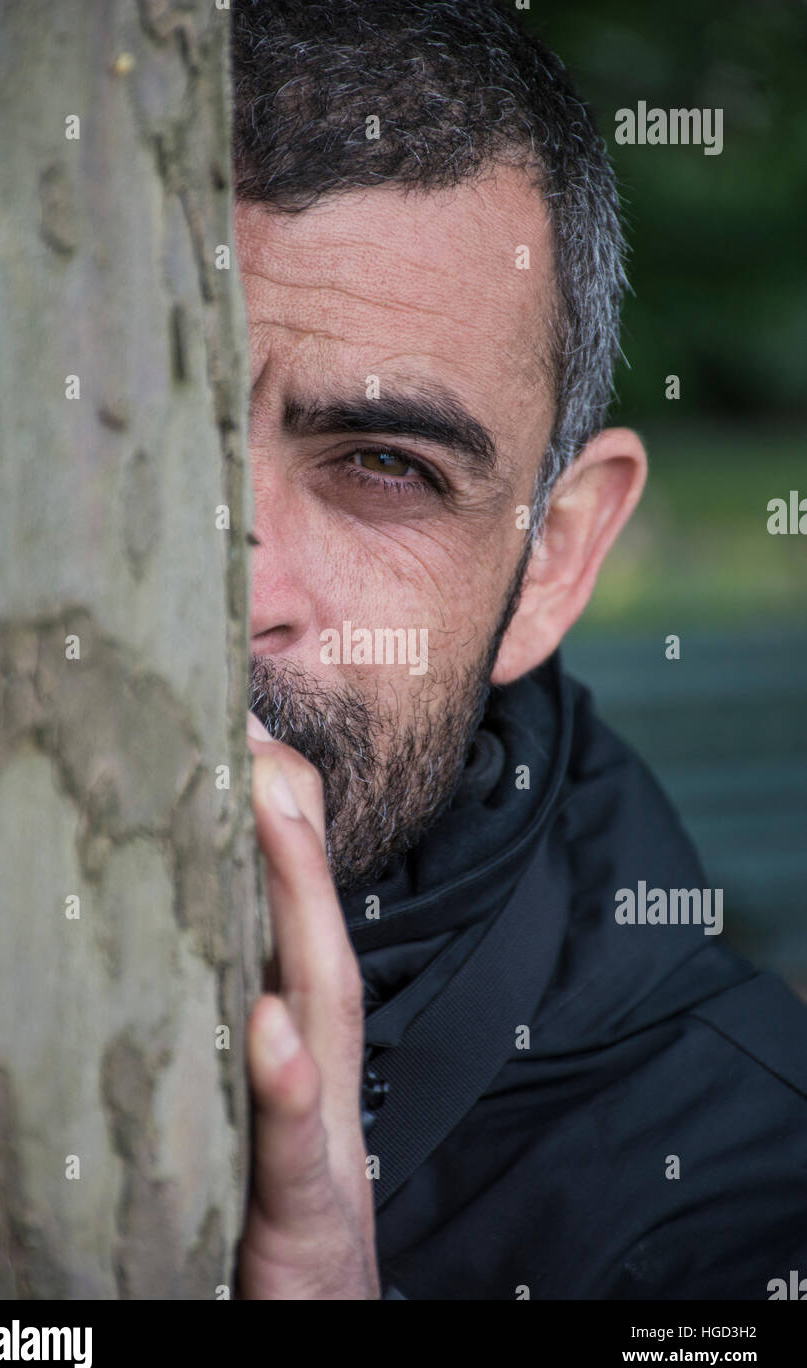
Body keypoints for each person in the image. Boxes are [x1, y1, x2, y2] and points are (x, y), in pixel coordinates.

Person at [230, 0, 807, 1299]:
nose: (244, 588)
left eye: (383, 464)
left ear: (549, 560)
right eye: (146, 438)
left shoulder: (743, 1204)